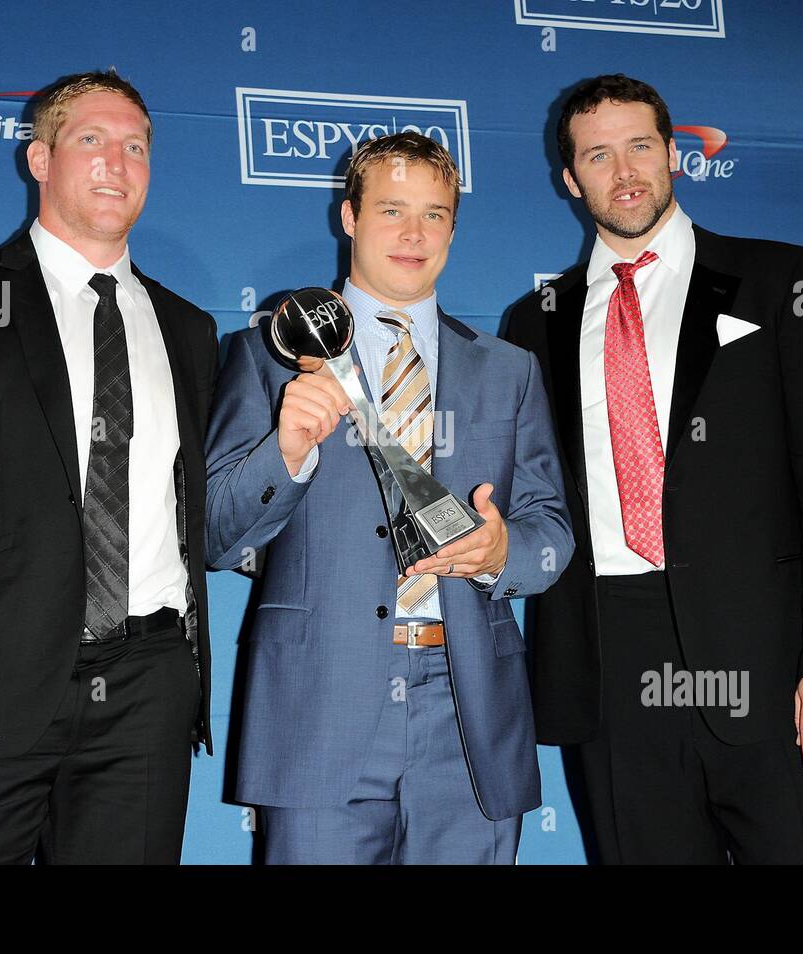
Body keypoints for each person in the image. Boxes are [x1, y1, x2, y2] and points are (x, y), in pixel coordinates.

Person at [505, 74, 803, 864]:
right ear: (571, 180)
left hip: (771, 663)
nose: (625, 171)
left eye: (640, 146)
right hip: (609, 668)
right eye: (598, 156)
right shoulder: (532, 323)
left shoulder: (784, 280)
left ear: (673, 154)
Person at [0, 70, 217, 863]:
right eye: (90, 140)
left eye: (135, 147)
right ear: (39, 159)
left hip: (148, 690)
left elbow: (203, 516)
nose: (115, 164)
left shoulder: (188, 330)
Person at [206, 132, 573, 864]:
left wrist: (505, 551)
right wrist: (287, 452)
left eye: (435, 215)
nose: (414, 234)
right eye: (392, 211)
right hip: (320, 706)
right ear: (349, 217)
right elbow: (217, 535)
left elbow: (551, 530)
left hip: (470, 713)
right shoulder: (267, 356)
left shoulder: (509, 371)